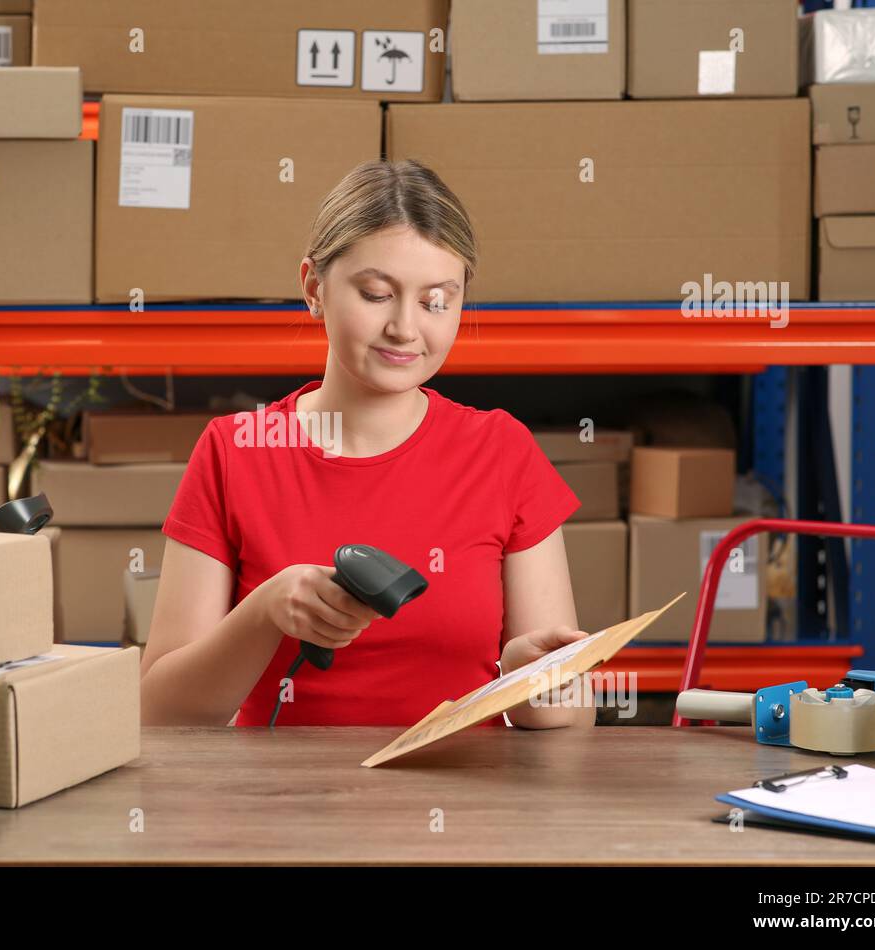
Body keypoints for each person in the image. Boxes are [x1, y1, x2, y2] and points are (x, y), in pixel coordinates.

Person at [140, 158, 592, 728]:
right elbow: (158, 715)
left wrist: (531, 684)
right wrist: (264, 613)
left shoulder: (501, 450)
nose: (406, 328)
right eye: (377, 294)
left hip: (462, 806)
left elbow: (574, 726)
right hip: (274, 808)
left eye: (436, 301)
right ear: (313, 288)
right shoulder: (237, 450)